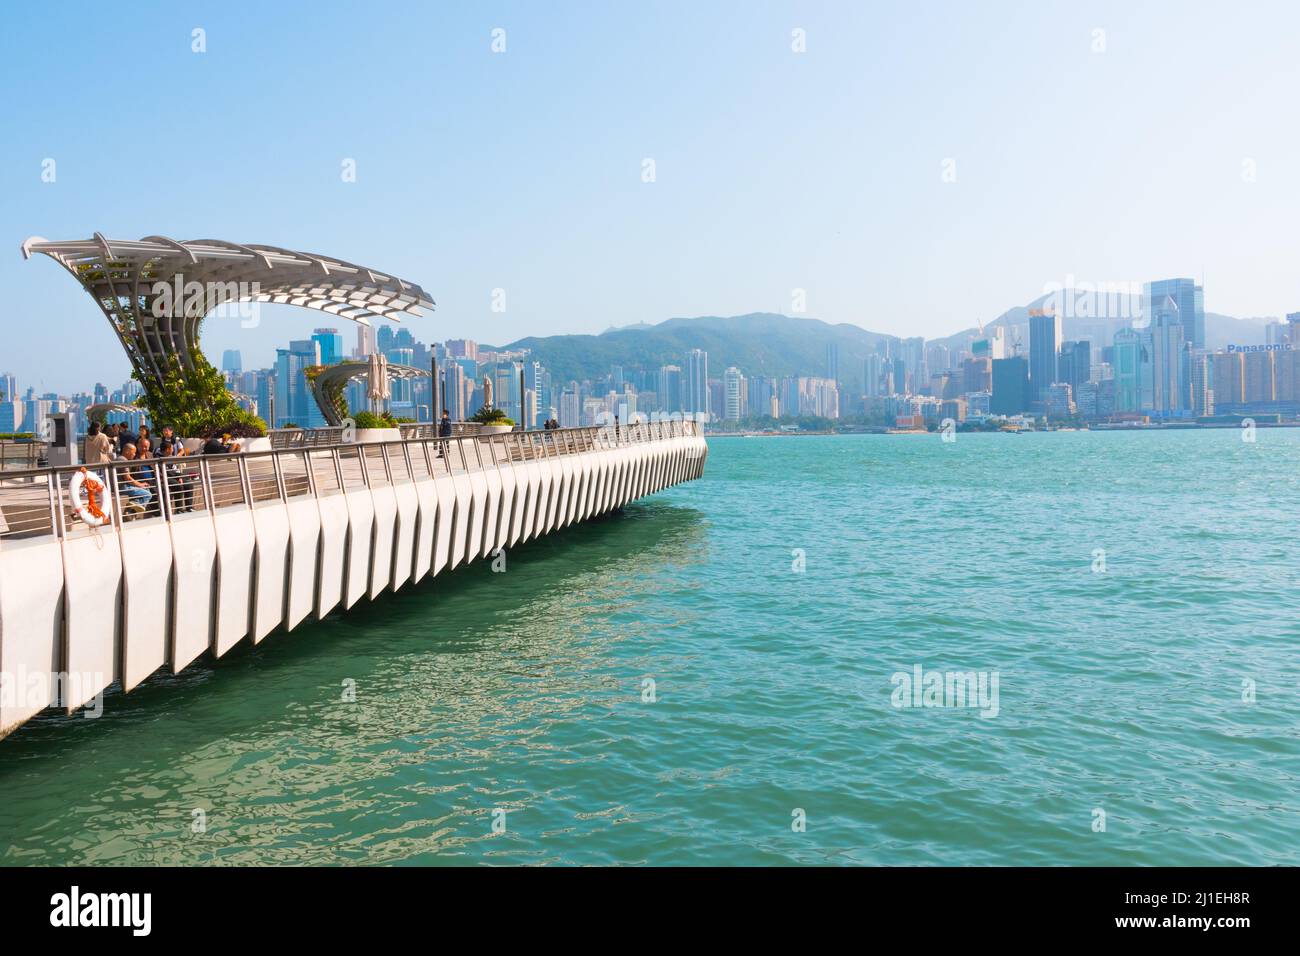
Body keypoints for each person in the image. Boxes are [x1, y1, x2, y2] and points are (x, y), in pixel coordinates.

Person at [117, 443, 152, 516]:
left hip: (120, 486)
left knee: (146, 489)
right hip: (122, 487)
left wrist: (140, 485)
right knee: (148, 494)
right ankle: (131, 510)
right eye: (134, 452)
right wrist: (140, 484)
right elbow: (128, 478)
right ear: (127, 451)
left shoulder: (118, 458)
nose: (134, 454)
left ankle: (133, 507)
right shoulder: (124, 461)